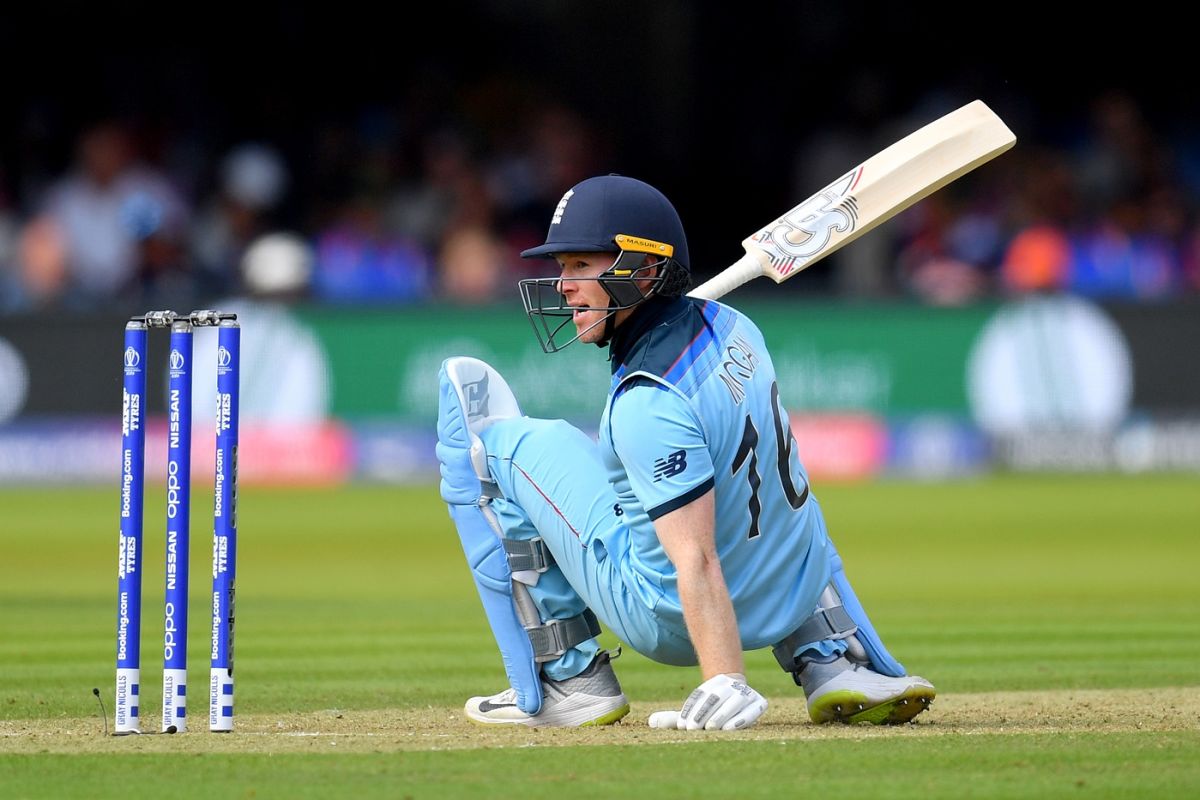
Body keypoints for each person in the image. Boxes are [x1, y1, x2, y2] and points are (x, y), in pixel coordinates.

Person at [435, 174, 935, 730]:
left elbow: (694, 559)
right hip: (787, 594)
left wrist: (725, 678)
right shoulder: (739, 329)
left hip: (670, 617)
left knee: (492, 446)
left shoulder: (649, 400)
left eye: (581, 266)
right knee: (764, 493)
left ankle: (566, 682)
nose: (563, 286)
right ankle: (833, 657)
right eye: (562, 269)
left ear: (644, 270)